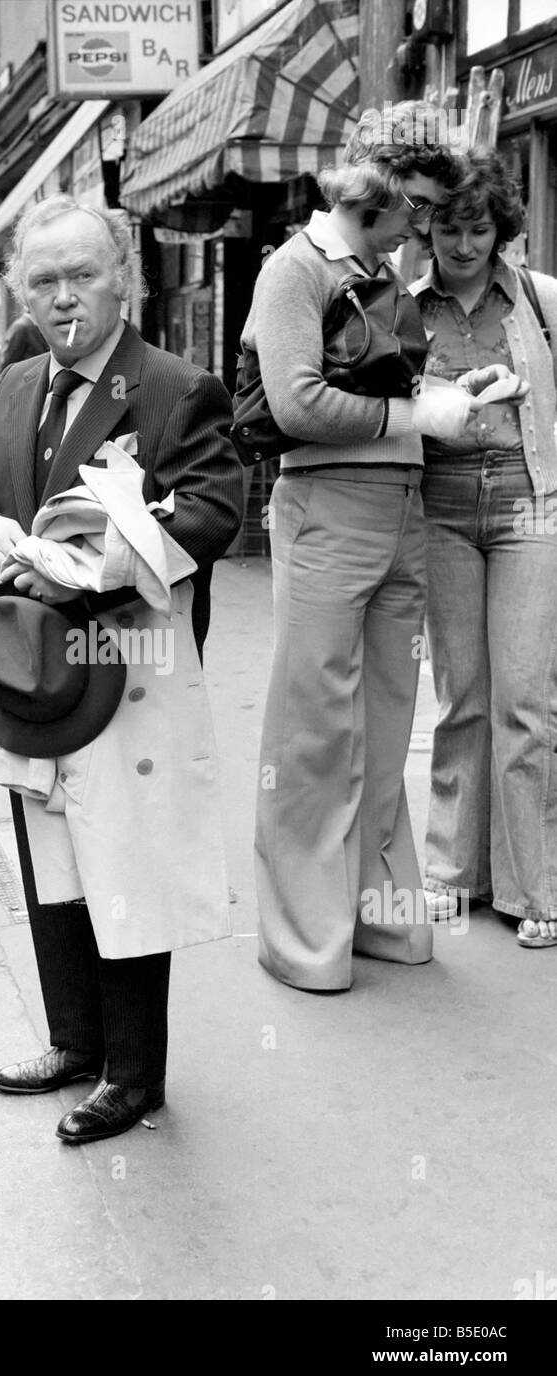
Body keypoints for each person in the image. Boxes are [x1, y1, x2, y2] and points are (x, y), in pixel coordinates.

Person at [0, 193, 242, 1143]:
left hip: (129, 663)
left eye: (83, 276)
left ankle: (134, 1077)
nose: (64, 297)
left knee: (124, 866)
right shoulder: (16, 383)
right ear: (23, 291)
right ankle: (73, 1042)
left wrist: (104, 555)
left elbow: (214, 509)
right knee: (51, 858)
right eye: (44, 281)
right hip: (32, 669)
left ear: (126, 280)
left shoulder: (175, 387)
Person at [245, 103, 488, 992]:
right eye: (417, 206)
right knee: (313, 729)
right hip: (327, 505)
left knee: (386, 724)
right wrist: (416, 413)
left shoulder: (378, 273)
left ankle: (372, 912)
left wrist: (454, 399)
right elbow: (296, 404)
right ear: (375, 191)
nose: (427, 226)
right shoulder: (293, 271)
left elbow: (389, 392)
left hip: (402, 505)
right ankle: (305, 934)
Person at [410, 150, 557, 949]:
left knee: (527, 701)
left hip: (529, 503)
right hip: (439, 506)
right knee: (461, 696)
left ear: (502, 229)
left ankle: (536, 885)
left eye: (479, 227)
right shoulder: (405, 309)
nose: (464, 244)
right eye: (450, 227)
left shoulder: (540, 301)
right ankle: (452, 873)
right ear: (428, 228)